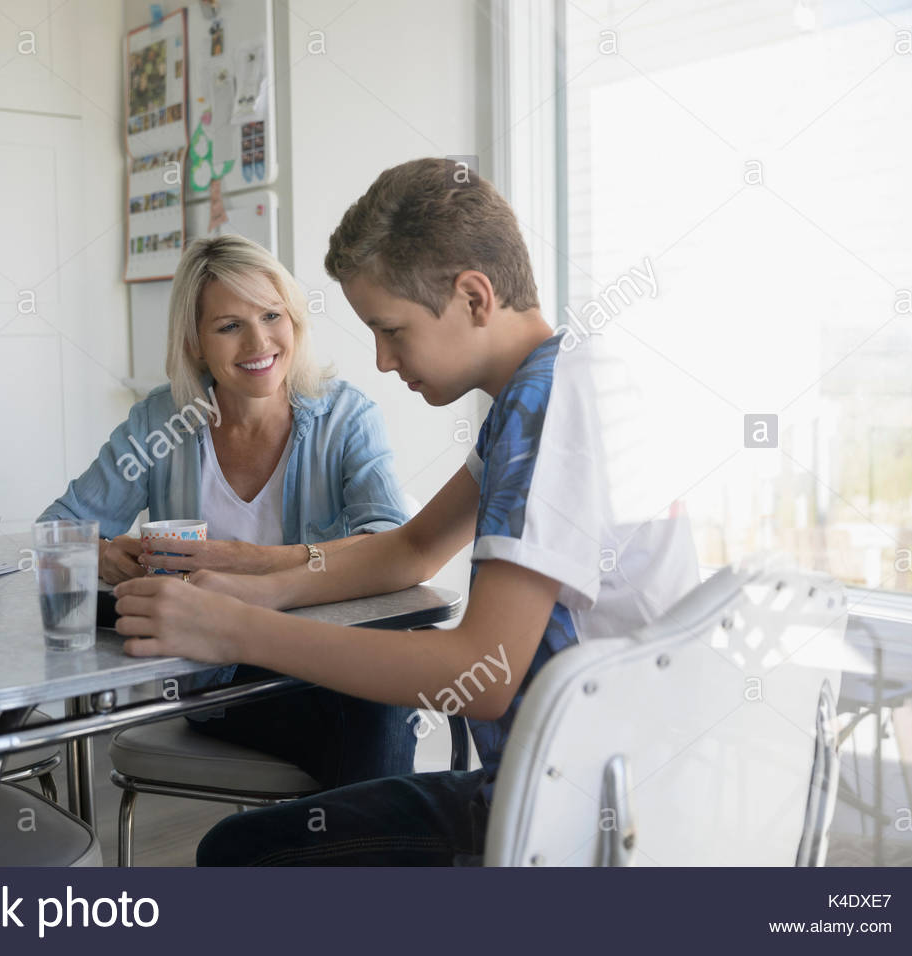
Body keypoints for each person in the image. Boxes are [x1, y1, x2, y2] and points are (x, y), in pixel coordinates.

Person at [112, 158, 693, 864]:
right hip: (608, 785)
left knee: (237, 853)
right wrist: (252, 585)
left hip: (568, 822)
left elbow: (483, 670)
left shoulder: (549, 410)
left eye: (392, 330)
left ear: (474, 298)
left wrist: (238, 630)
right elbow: (411, 549)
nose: (383, 360)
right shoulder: (561, 381)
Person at [39, 233, 417, 787]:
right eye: (229, 326)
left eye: (271, 315)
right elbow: (57, 527)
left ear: (294, 320)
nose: (258, 342)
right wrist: (102, 556)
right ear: (195, 343)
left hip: (326, 657)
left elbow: (388, 543)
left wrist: (244, 559)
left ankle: (326, 851)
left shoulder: (346, 416)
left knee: (377, 710)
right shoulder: (159, 423)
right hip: (221, 677)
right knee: (374, 718)